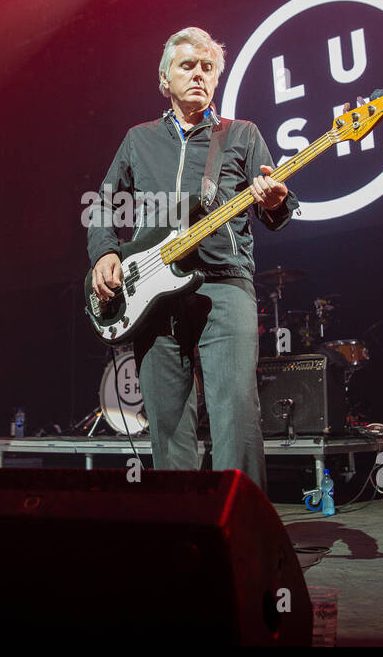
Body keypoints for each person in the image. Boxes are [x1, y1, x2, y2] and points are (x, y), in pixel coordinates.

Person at [87, 28, 298, 491]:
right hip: (152, 294)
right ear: (165, 79)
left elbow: (278, 212)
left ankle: (240, 530)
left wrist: (275, 199)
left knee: (235, 413)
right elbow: (103, 202)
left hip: (224, 283)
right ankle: (184, 529)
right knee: (166, 423)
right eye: (188, 66)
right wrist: (104, 251)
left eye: (207, 68)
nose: (199, 74)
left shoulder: (241, 135)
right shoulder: (138, 139)